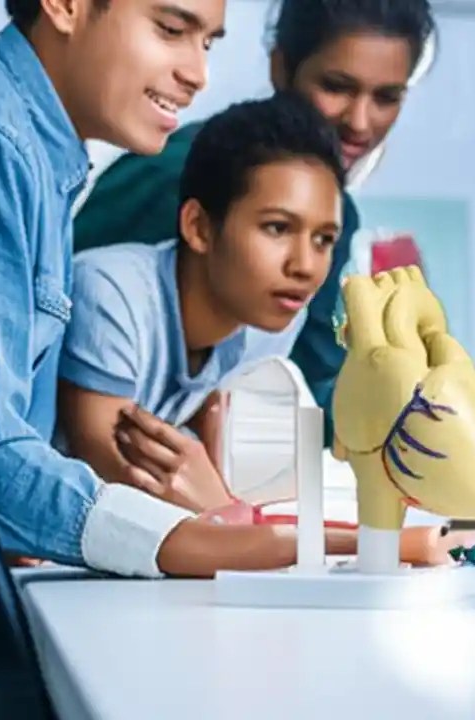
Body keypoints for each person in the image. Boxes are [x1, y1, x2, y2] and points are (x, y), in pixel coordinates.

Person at [0, 0, 363, 579]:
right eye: (171, 29)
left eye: (208, 43)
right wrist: (198, 535)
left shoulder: (41, 159)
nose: (198, 74)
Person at [73, 0, 437, 445]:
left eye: (386, 97)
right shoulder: (172, 177)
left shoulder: (280, 311)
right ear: (282, 68)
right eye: (337, 86)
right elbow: (63, 331)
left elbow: (307, 384)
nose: (360, 122)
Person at [57, 93, 344, 515]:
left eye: (324, 239)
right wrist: (226, 511)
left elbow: (204, 455)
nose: (305, 266)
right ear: (199, 227)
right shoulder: (111, 296)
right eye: (278, 228)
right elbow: (117, 487)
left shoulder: (274, 319)